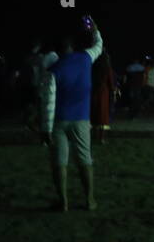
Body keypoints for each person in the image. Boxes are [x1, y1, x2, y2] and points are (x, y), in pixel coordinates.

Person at [41, 19, 106, 211]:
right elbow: (99, 46)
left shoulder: (53, 71)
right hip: (81, 120)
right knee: (85, 159)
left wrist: (46, 129)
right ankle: (90, 200)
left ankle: (63, 202)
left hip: (59, 121)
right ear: (73, 46)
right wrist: (95, 30)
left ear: (57, 51)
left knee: (59, 162)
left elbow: (48, 104)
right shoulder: (85, 58)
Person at [90, 51, 117, 146]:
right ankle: (101, 138)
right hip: (104, 94)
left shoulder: (94, 68)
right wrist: (113, 91)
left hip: (94, 92)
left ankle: (94, 136)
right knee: (103, 116)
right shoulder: (107, 69)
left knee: (95, 114)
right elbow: (110, 83)